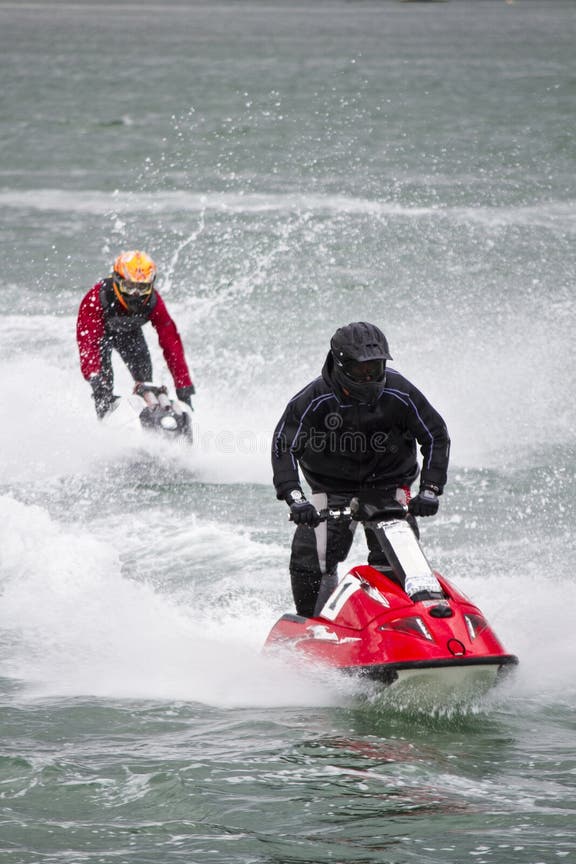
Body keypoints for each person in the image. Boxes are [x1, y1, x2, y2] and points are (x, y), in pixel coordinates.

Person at [271, 321, 450, 618]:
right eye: (360, 371)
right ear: (341, 366)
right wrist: (295, 498)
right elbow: (283, 447)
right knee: (310, 561)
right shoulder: (312, 400)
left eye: (376, 368)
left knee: (398, 562)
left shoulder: (401, 392)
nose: (369, 377)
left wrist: (429, 489)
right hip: (328, 488)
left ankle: (411, 623)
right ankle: (313, 626)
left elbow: (436, 436)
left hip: (390, 485)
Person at [76, 250, 195, 418]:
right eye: (129, 287)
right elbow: (87, 342)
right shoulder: (96, 298)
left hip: (130, 335)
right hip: (100, 338)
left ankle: (152, 421)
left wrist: (184, 387)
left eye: (143, 287)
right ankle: (104, 425)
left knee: (146, 381)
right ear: (117, 280)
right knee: (103, 389)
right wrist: (94, 377)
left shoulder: (154, 302)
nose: (136, 295)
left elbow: (171, 342)